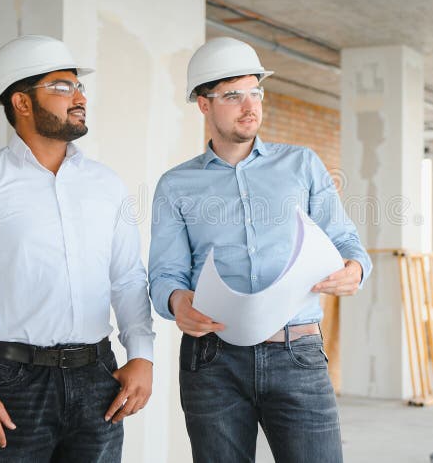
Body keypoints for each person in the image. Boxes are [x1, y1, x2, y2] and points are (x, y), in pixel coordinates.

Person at [0, 35, 154, 462]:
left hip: (98, 378)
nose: (78, 97)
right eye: (62, 87)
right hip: (8, 383)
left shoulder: (106, 185)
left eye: (78, 87)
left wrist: (143, 356)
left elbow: (128, 277)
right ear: (22, 103)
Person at [148, 37, 372, 463]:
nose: (250, 106)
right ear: (204, 104)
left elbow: (345, 240)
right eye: (233, 95)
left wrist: (355, 268)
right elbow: (165, 275)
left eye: (255, 92)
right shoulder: (175, 185)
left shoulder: (302, 165)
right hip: (212, 361)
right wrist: (178, 302)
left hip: (297, 354)